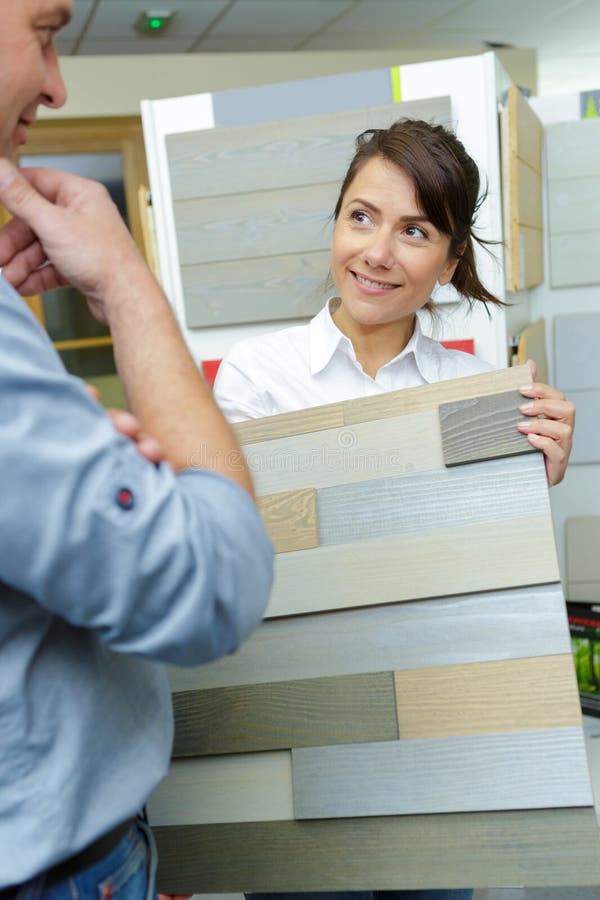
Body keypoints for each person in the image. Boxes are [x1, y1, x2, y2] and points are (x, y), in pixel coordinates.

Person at [214, 119, 575, 900]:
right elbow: (248, 551)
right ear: (337, 220)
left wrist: (525, 483)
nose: (377, 252)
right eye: (361, 216)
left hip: (440, 722)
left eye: (415, 230)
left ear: (450, 260)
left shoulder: (470, 390)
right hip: (297, 715)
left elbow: (477, 584)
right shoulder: (257, 376)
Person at [0, 1, 273, 897]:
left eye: (418, 228)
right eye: (43, 31)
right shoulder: (264, 366)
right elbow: (211, 580)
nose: (57, 82)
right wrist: (123, 279)